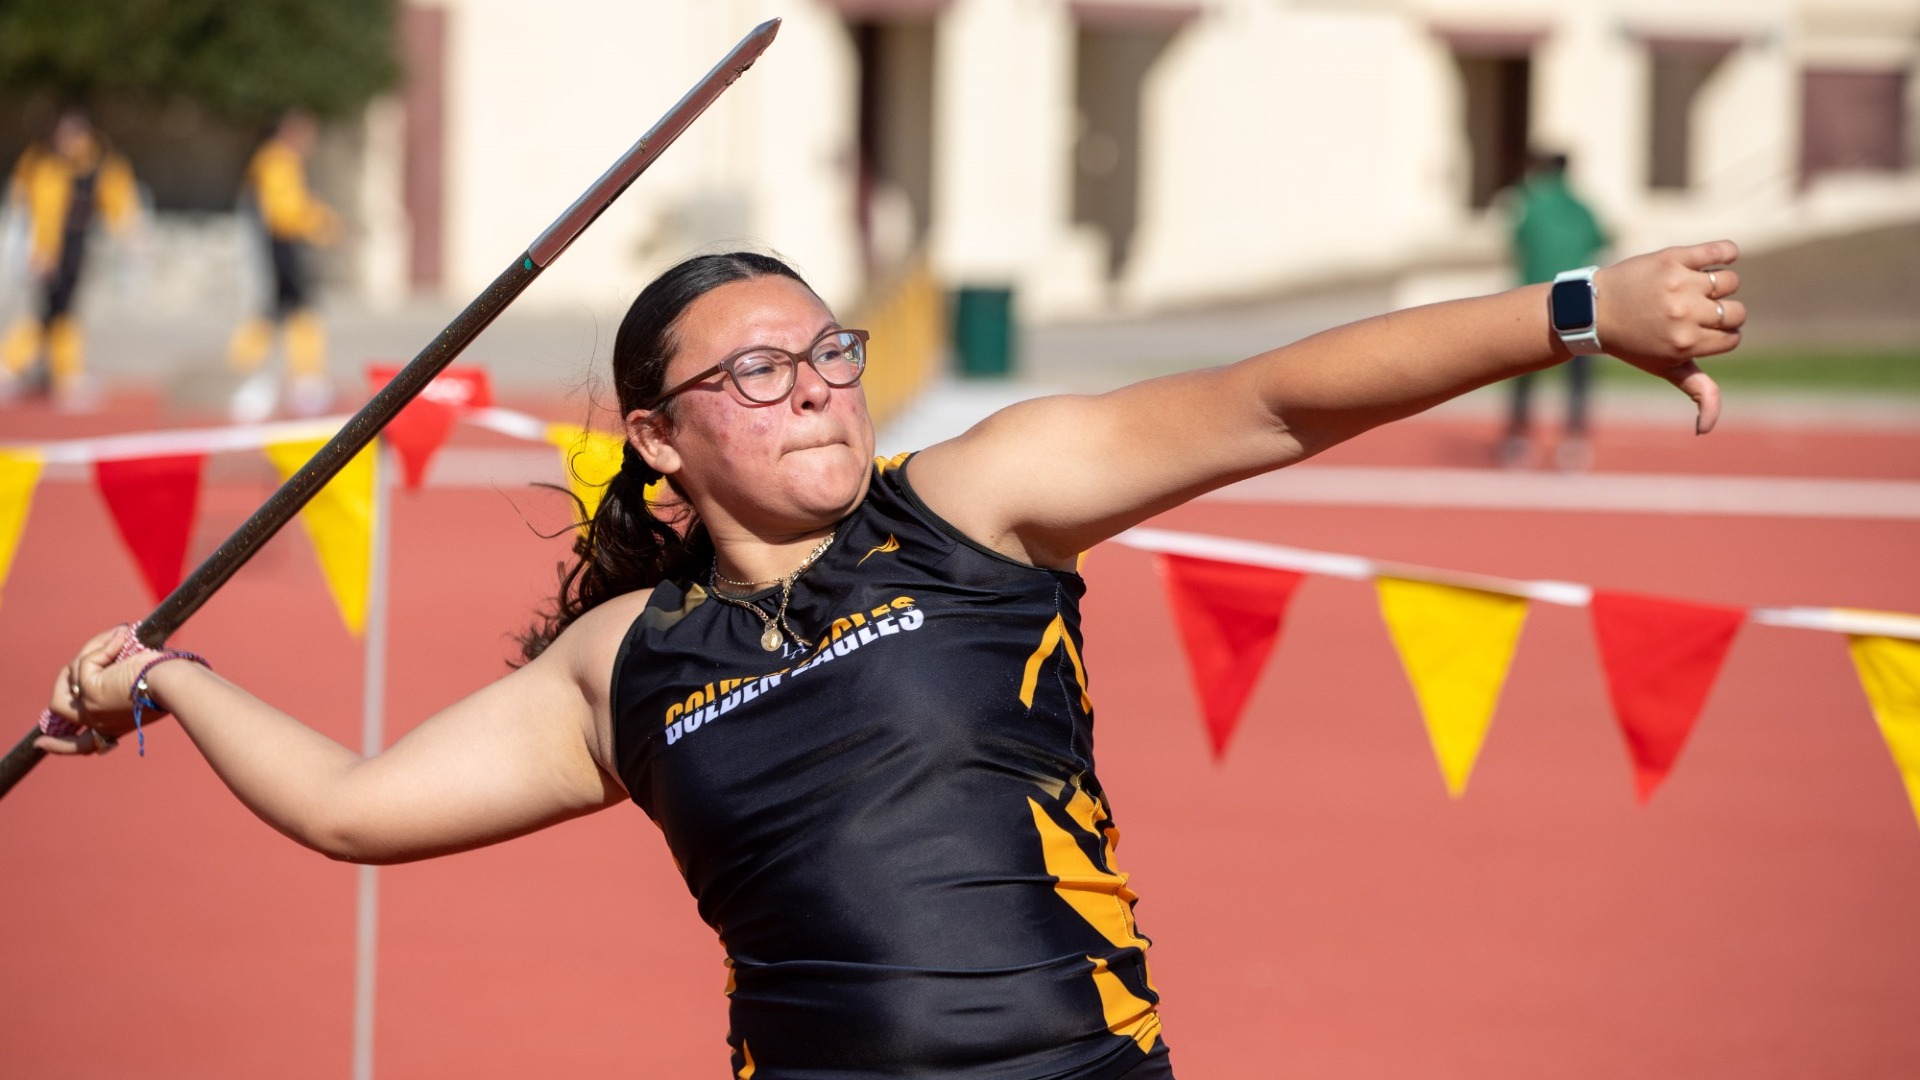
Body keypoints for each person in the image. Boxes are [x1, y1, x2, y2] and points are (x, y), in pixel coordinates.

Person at [44, 241, 1745, 1078]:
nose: (813, 386)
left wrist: (1572, 311)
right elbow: (353, 808)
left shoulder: (976, 506)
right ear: (657, 440)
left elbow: (1270, 401)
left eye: (828, 353)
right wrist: (163, 681)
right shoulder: (624, 665)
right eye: (755, 371)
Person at [1, 106, 141, 412]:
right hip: (46, 250)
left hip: (76, 245)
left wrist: (127, 236)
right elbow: (26, 207)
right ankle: (32, 368)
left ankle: (53, 371)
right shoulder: (41, 161)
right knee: (52, 309)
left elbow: (118, 201)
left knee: (62, 309)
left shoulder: (102, 164)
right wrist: (35, 251)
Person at [226, 108, 341, 422]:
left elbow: (296, 206)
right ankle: (281, 377)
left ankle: (302, 377)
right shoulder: (276, 161)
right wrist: (319, 226)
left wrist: (324, 222)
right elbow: (285, 213)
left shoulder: (281, 161)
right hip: (276, 249)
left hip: (283, 248)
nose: (310, 142)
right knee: (284, 309)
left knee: (290, 310)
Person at [1500, 149, 1609, 471]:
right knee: (1578, 377)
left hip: (1532, 298)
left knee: (1523, 374)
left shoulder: (1530, 203)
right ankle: (1574, 445)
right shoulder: (1582, 207)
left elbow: (1517, 240)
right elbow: (1600, 240)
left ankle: (1517, 443)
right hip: (1577, 298)